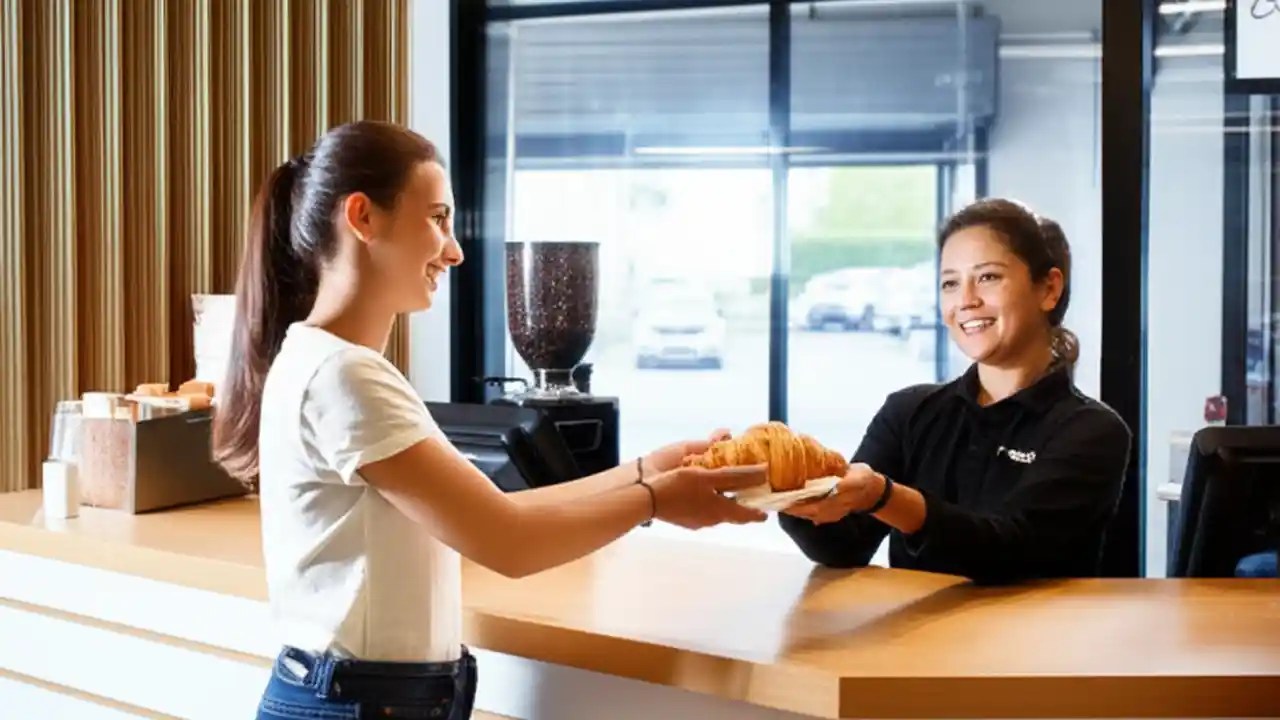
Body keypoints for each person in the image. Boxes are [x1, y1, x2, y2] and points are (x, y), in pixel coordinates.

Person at [210, 120, 768, 720]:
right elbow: (507, 542)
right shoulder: (345, 376)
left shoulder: (323, 362)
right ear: (363, 218)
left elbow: (498, 513)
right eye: (438, 219)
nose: (454, 250)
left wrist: (644, 471)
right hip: (360, 706)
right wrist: (653, 501)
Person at [779, 198, 1132, 585]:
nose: (965, 301)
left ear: (1048, 289)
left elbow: (1011, 552)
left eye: (988, 277)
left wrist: (885, 498)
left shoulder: (1092, 431)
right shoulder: (910, 412)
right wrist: (785, 486)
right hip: (916, 640)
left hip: (1034, 643)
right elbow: (843, 545)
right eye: (950, 283)